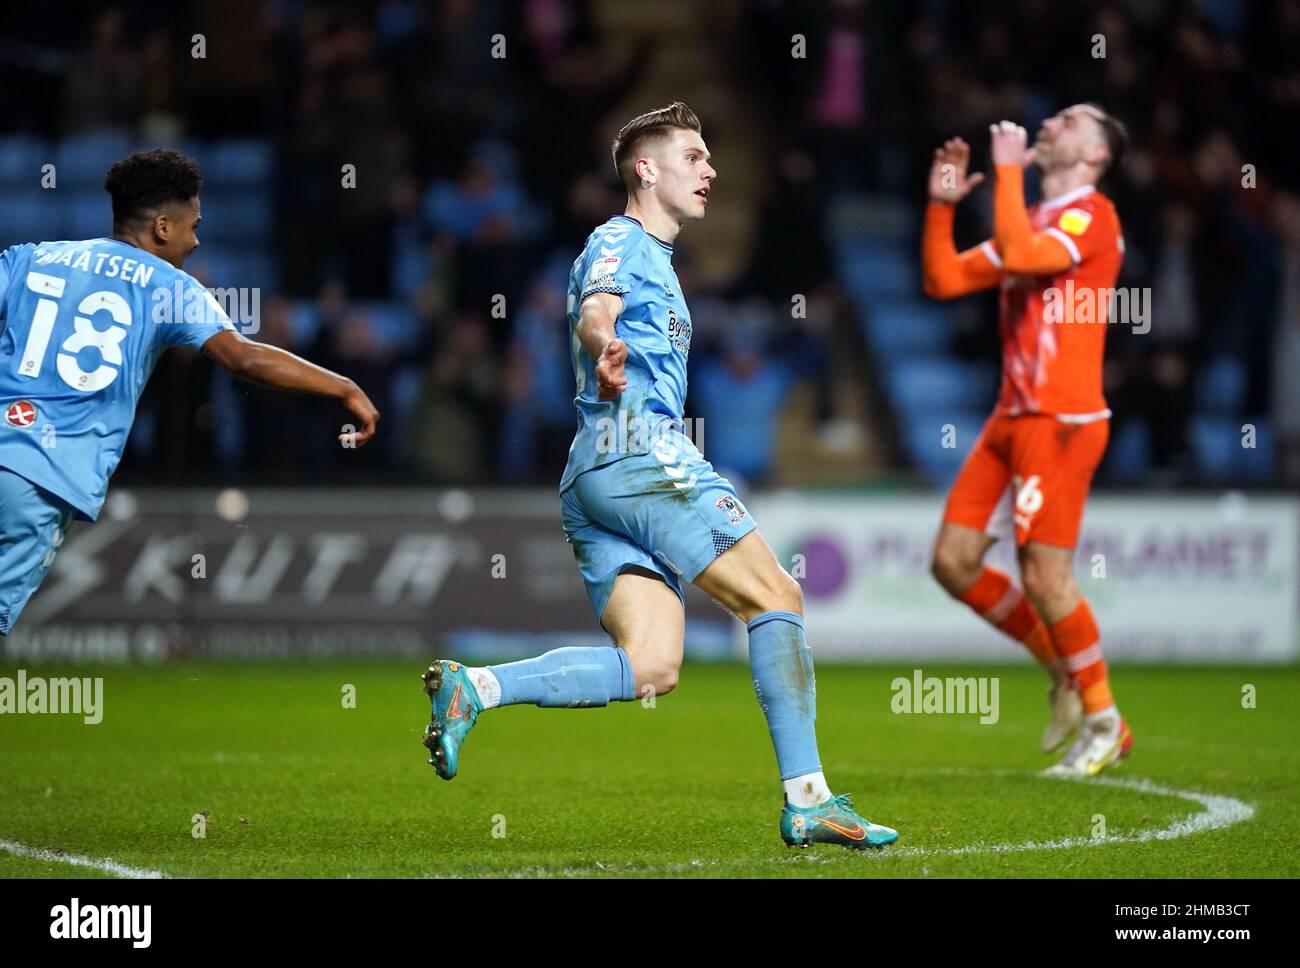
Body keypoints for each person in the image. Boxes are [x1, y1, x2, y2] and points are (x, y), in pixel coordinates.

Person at [420, 102, 897, 849]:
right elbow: (597, 309)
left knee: (652, 665)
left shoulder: (665, 264)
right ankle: (809, 798)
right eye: (694, 157)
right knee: (777, 595)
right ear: (647, 170)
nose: (710, 171)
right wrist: (604, 343)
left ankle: (475, 688)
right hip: (640, 451)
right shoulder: (621, 239)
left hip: (594, 475)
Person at [0, 148, 379, 634]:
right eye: (193, 225)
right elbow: (246, 357)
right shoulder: (170, 287)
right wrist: (343, 385)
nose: (196, 241)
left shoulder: (31, 258)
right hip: (39, 482)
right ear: (162, 227)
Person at [922, 105, 1133, 775]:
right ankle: (1064, 670)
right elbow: (944, 279)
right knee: (953, 562)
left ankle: (1105, 722)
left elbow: (1024, 256)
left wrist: (1008, 172)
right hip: (1011, 415)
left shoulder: (1091, 216)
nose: (1055, 122)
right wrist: (940, 207)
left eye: (1074, 121)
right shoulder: (1033, 218)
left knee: (1046, 574)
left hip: (1061, 419)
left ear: (1096, 155)